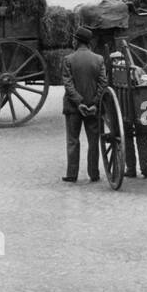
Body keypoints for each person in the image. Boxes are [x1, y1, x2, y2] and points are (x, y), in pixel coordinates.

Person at [62, 27, 107, 183]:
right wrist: (94, 103)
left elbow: (68, 84)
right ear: (89, 43)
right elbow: (103, 84)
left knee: (73, 140)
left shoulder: (68, 59)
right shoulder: (99, 59)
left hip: (73, 107)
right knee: (93, 141)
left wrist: (79, 102)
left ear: (76, 41)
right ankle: (93, 173)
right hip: (93, 108)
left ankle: (72, 174)